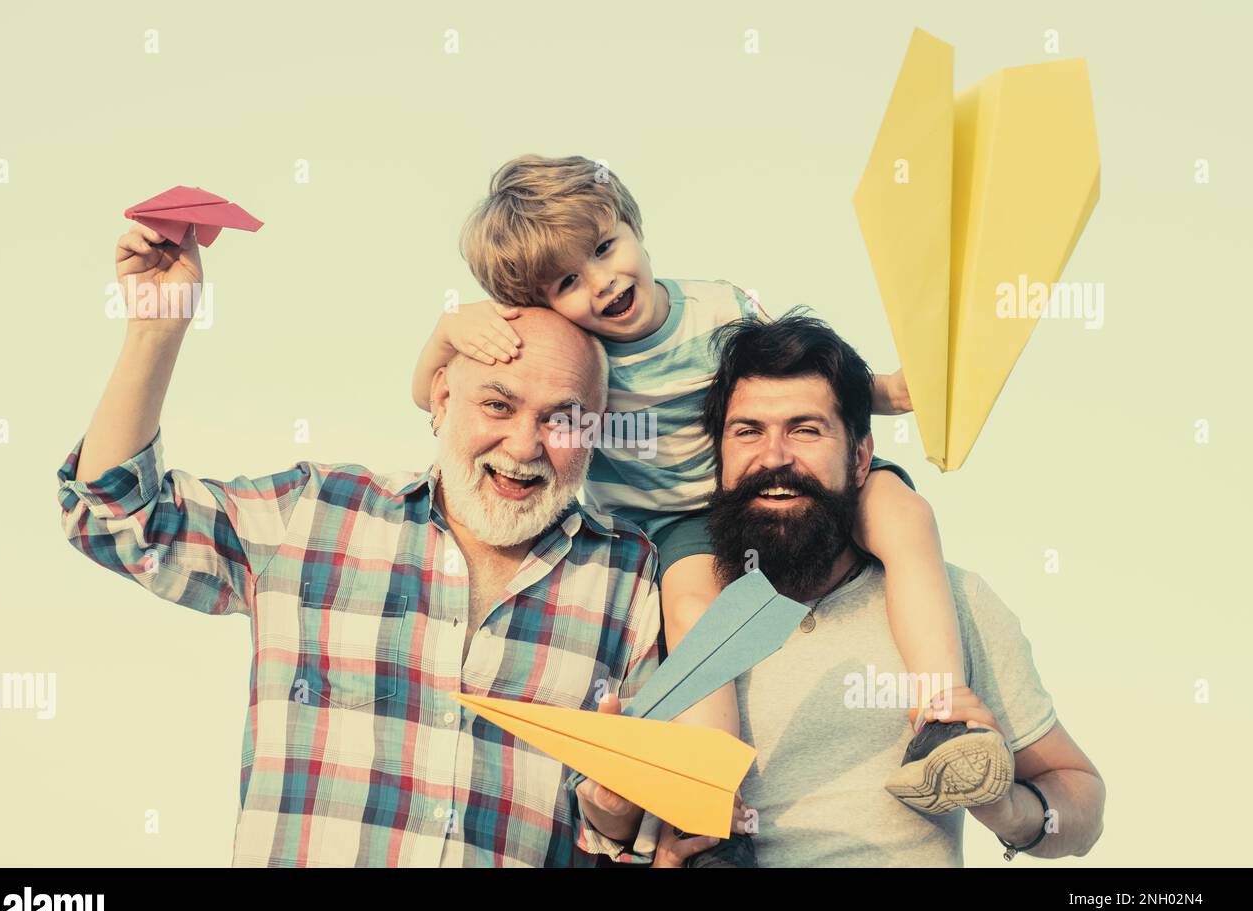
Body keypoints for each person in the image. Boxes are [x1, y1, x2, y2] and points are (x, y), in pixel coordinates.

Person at [411, 155, 1013, 842]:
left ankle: (944, 719)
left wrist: (891, 393)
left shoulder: (719, 307)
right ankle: (712, 815)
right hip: (675, 524)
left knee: (906, 514)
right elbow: (429, 393)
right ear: (545, 306)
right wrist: (446, 332)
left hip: (768, 484)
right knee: (696, 611)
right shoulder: (574, 356)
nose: (602, 283)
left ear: (632, 225)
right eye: (568, 282)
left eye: (605, 248)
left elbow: (797, 376)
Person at [56, 220, 662, 866]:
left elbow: (648, 836)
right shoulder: (315, 513)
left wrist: (619, 815)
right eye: (498, 406)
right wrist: (154, 331)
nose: (524, 445)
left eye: (562, 419)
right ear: (443, 395)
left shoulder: (630, 579)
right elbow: (115, 521)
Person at [652, 310, 1105, 867]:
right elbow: (608, 816)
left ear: (862, 456)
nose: (774, 456)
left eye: (806, 429)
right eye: (747, 431)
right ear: (718, 456)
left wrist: (1007, 809)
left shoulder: (951, 598)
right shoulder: (662, 611)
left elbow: (1079, 797)